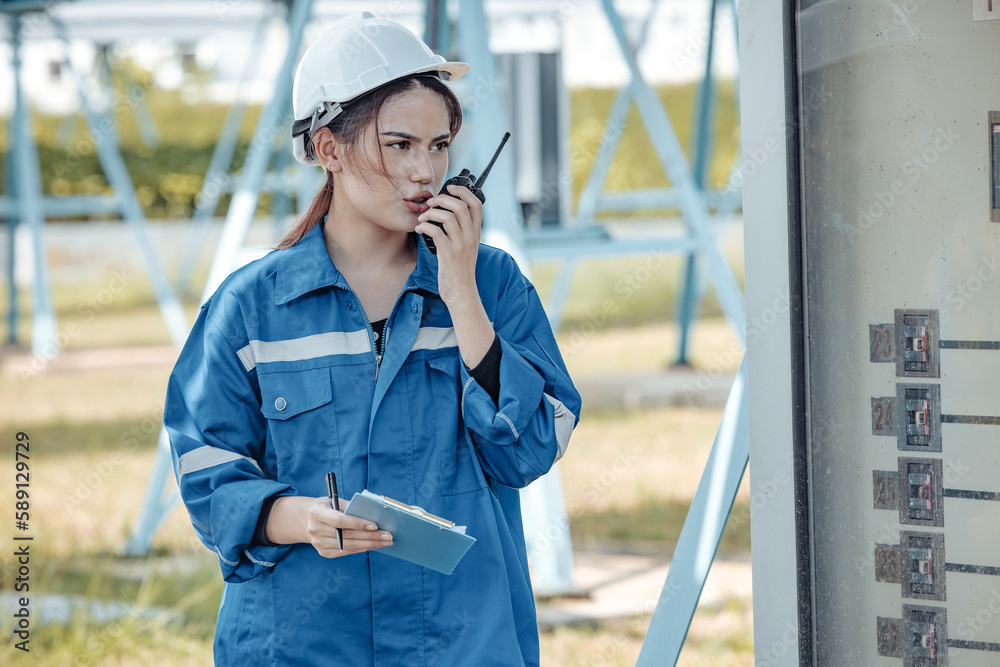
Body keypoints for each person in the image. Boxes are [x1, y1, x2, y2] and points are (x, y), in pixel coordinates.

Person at [164, 11, 581, 667]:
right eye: (400, 144)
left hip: (464, 640)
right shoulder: (251, 307)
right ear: (329, 149)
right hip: (301, 643)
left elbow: (530, 449)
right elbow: (205, 473)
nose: (425, 171)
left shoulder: (494, 285)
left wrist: (461, 293)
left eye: (439, 145)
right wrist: (300, 517)